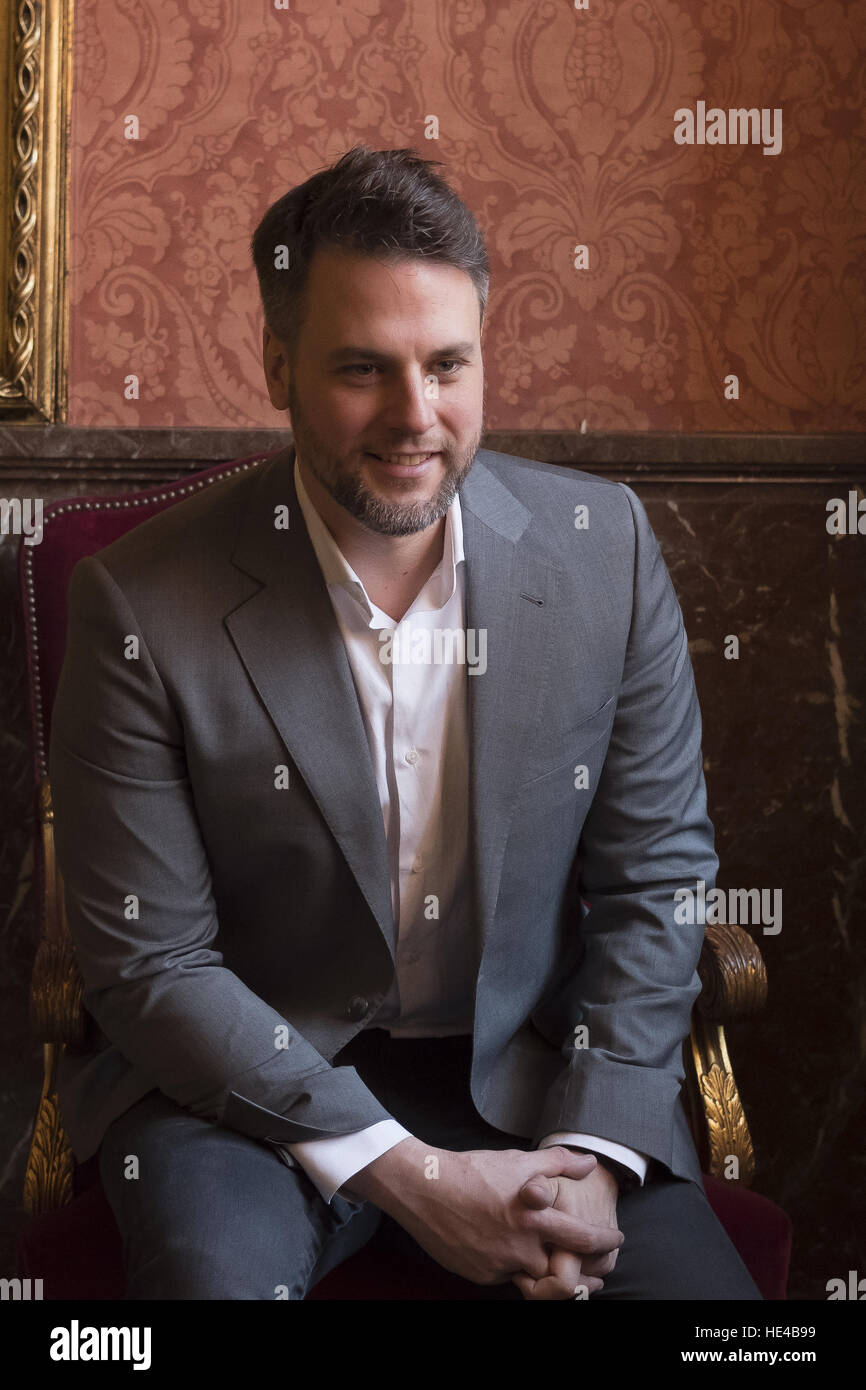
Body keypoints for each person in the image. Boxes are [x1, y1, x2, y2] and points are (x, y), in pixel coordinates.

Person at [49, 145, 761, 1301]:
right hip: (235, 1094)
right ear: (276, 362)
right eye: (360, 369)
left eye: (446, 364)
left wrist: (591, 1147)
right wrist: (413, 1176)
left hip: (537, 1076)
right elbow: (153, 962)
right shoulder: (139, 602)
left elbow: (657, 876)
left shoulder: (606, 555)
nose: (413, 416)